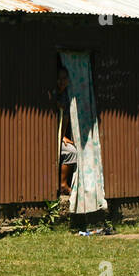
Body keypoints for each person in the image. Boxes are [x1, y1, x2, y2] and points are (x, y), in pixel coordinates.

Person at [54, 67, 76, 196]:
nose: (61, 82)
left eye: (64, 79)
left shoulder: (66, 96)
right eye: (59, 79)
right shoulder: (53, 94)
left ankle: (63, 185)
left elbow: (66, 118)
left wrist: (62, 136)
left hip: (57, 136)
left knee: (71, 151)